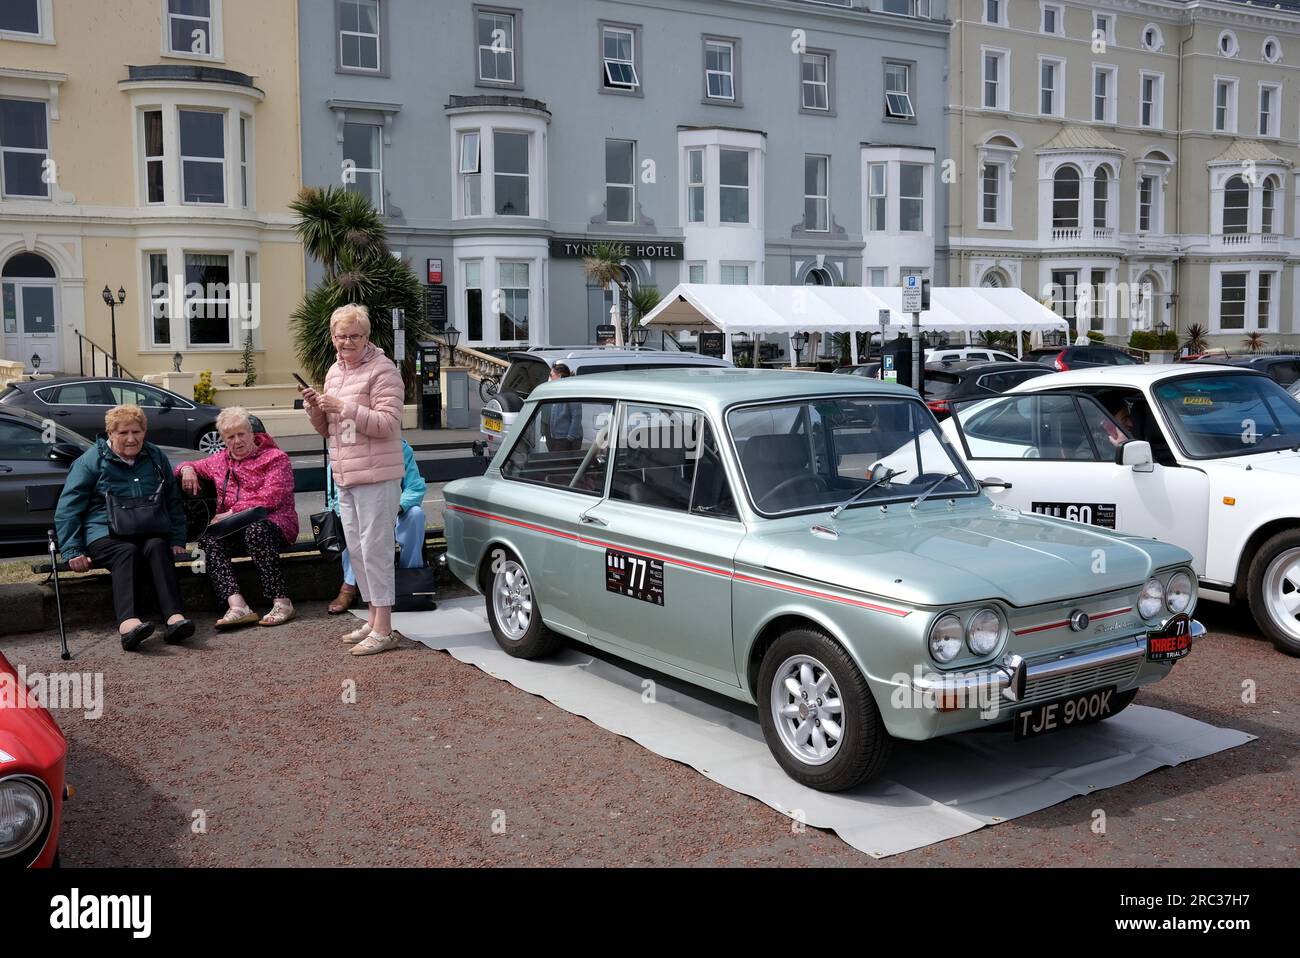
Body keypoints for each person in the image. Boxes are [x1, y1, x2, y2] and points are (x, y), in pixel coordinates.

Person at [300, 303, 406, 656]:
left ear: (367, 336)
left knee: (375, 548)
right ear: (332, 337)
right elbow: (331, 431)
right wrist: (316, 408)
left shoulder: (383, 369)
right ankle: (374, 618)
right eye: (341, 336)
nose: (347, 342)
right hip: (346, 473)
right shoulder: (333, 372)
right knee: (358, 550)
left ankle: (386, 627)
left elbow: (389, 424)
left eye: (354, 336)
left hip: (377, 475)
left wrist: (343, 407)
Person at [54, 405, 193, 651]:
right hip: (103, 533)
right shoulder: (90, 461)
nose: (131, 438)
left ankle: (174, 619)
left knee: (158, 546)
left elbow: (172, 502)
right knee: (125, 551)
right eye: (124, 433)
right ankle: (128, 625)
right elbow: (68, 509)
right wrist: (73, 549)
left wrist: (177, 540)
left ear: (144, 431)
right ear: (110, 433)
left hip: (149, 529)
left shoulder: (154, 456)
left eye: (137, 432)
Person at [177, 407, 299, 629]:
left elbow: (272, 497)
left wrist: (233, 512)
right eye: (230, 437)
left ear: (252, 433)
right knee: (208, 541)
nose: (237, 441)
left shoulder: (275, 458)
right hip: (235, 530)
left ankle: (282, 602)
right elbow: (188, 464)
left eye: (241, 434)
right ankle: (238, 606)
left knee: (257, 531)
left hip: (276, 523)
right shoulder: (218, 461)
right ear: (223, 439)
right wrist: (186, 469)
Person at [328, 438, 427, 614]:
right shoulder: (345, 451)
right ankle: (349, 585)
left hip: (395, 508)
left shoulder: (400, 448)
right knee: (346, 520)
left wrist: (396, 506)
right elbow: (336, 497)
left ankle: (410, 580)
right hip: (361, 511)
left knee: (416, 515)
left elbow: (414, 487)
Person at [545, 362, 583, 452]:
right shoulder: (556, 391)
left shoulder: (571, 392)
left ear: (560, 376)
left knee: (562, 464)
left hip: (566, 439)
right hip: (556, 437)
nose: (550, 379)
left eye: (551, 375)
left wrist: (570, 438)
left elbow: (577, 417)